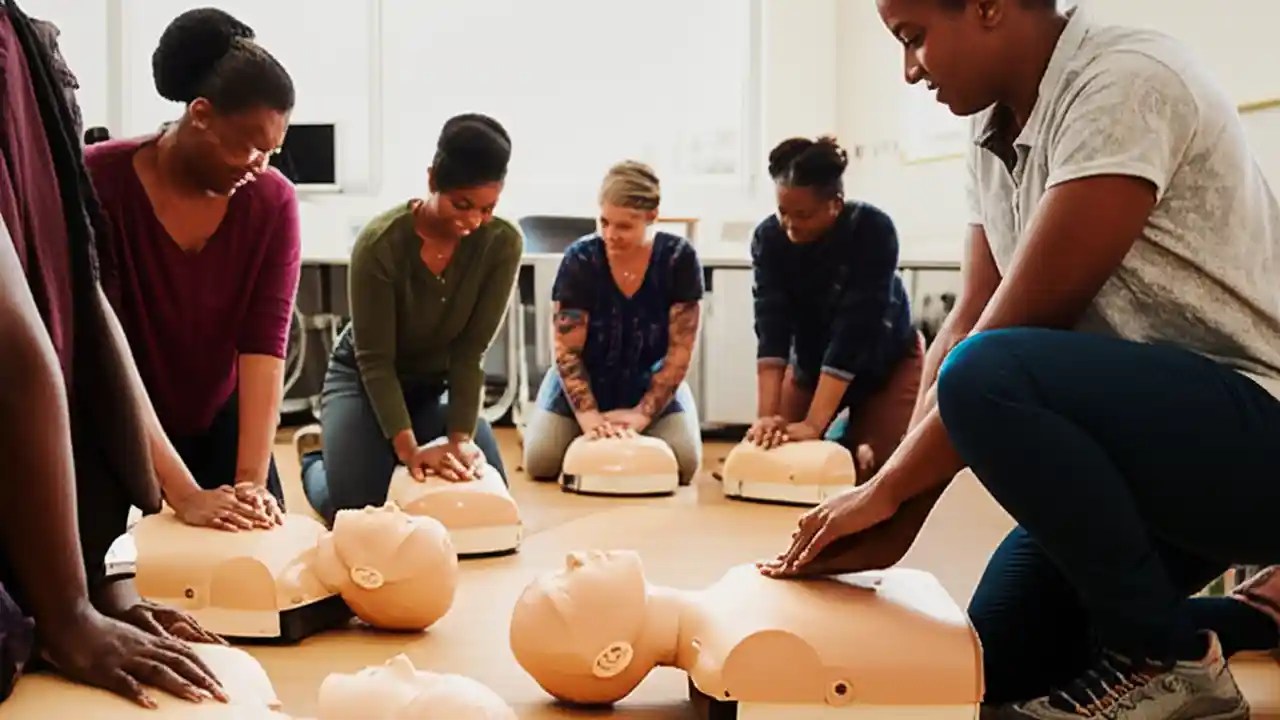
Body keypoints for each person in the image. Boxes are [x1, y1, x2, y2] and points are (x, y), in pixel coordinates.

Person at [760, 2, 1280, 719]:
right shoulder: (989, 125)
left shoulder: (1125, 81)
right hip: (1146, 453)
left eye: (914, 39)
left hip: (1254, 433)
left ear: (988, 6)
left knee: (985, 373)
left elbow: (1012, 332)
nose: (909, 71)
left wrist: (888, 495)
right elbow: (970, 316)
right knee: (1001, 660)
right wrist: (893, 496)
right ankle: (1259, 615)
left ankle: (1173, 664)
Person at [1, 0, 228, 707]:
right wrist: (68, 612)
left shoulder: (25, 51)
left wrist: (102, 580)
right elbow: (17, 344)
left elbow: (80, 323)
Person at [84, 7, 299, 530]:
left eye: (272, 151)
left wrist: (249, 480)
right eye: (249, 145)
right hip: (110, 412)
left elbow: (264, 348)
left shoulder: (272, 202)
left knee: (272, 589)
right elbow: (99, 346)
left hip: (215, 415)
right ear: (200, 113)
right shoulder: (98, 180)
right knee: (98, 581)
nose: (260, 166)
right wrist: (184, 493)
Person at [297, 113, 520, 525]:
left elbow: (470, 352)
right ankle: (317, 459)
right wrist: (410, 451)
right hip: (363, 378)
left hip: (433, 383)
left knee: (487, 506)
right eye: (462, 204)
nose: (473, 221)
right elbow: (375, 360)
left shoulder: (503, 244)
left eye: (488, 208)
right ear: (433, 179)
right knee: (361, 514)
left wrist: (460, 440)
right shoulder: (380, 244)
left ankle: (377, 447)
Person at [746, 136, 923, 480]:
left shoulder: (873, 230)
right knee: (777, 453)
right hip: (812, 365)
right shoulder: (769, 239)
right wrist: (766, 416)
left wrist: (815, 423)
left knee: (878, 468)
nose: (790, 225)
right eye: (783, 213)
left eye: (803, 215)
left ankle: (849, 439)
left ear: (835, 204)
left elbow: (854, 331)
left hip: (886, 361)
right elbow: (771, 327)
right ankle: (840, 438)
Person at [522, 161, 704, 485]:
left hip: (649, 380)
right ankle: (539, 422)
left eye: (624, 226)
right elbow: (567, 352)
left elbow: (680, 350)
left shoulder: (679, 259)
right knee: (542, 462)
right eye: (604, 222)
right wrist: (589, 418)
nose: (610, 235)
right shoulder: (580, 259)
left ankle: (674, 406)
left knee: (684, 465)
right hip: (583, 379)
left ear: (652, 216)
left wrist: (642, 415)